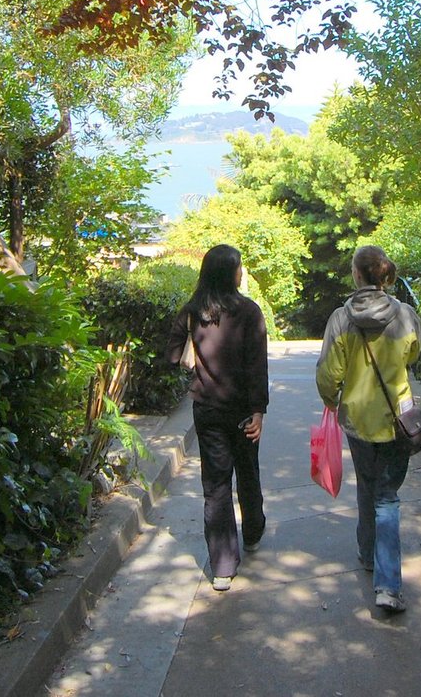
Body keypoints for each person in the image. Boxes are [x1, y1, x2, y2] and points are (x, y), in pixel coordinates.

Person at [315, 244, 421, 613]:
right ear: (384, 276)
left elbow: (329, 373)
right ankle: (389, 587)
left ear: (357, 275)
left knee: (368, 485)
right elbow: (414, 353)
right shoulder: (406, 314)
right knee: (388, 496)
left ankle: (367, 554)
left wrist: (332, 400)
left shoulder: (341, 319)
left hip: (358, 419)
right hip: (397, 419)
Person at [164, 244, 268, 591]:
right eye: (240, 267)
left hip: (207, 409)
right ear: (230, 272)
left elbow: (172, 353)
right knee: (248, 472)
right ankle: (252, 533)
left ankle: (223, 566)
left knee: (216, 486)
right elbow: (257, 366)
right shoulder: (249, 312)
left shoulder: (193, 311)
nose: (242, 272)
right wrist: (258, 411)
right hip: (241, 411)